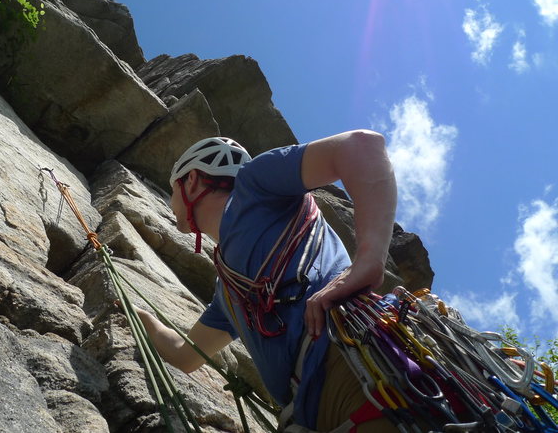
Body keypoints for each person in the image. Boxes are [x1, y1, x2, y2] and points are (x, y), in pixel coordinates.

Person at [133, 131, 399, 432]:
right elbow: (185, 356)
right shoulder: (229, 291)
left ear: (191, 180)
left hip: (354, 366)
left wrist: (369, 260)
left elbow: (361, 145)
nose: (170, 200)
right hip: (322, 408)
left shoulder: (254, 182)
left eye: (173, 189)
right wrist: (141, 319)